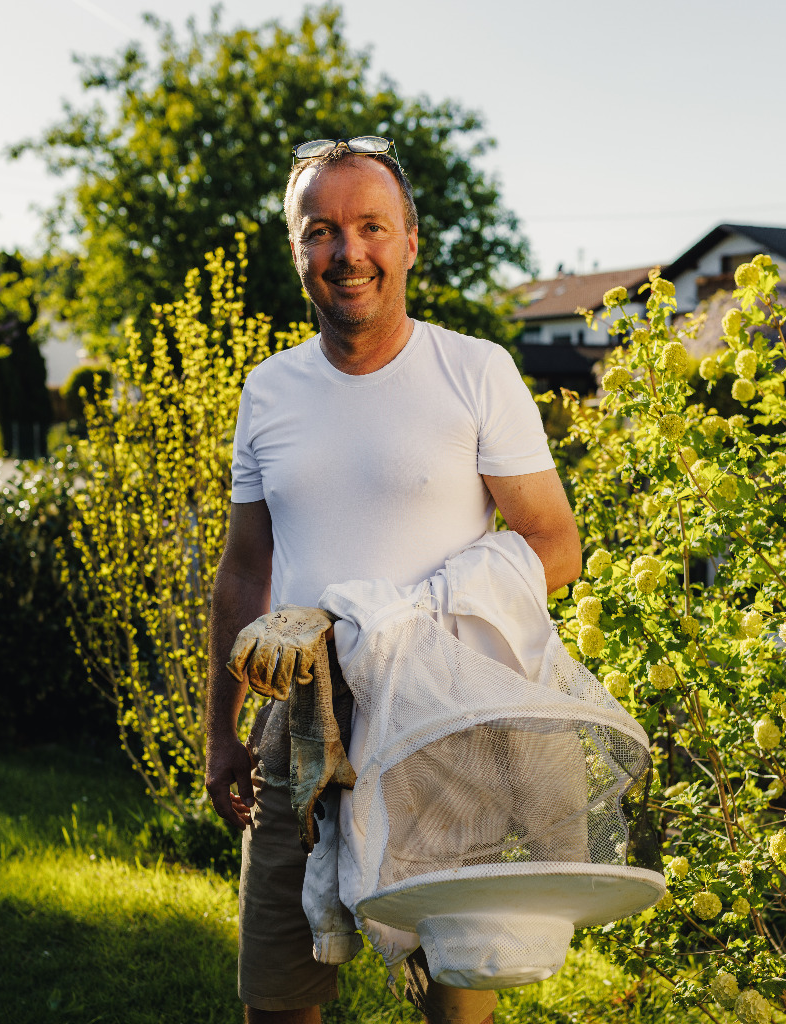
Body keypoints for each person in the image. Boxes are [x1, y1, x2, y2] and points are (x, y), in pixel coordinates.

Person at [205, 136, 582, 1024]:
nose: (349, 251)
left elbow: (554, 546)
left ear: (410, 241)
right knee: (279, 995)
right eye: (321, 229)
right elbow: (243, 570)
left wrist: (396, 618)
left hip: (442, 720)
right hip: (297, 727)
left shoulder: (475, 370)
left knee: (456, 991)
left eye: (371, 225)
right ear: (297, 250)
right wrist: (220, 732)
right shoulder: (268, 391)